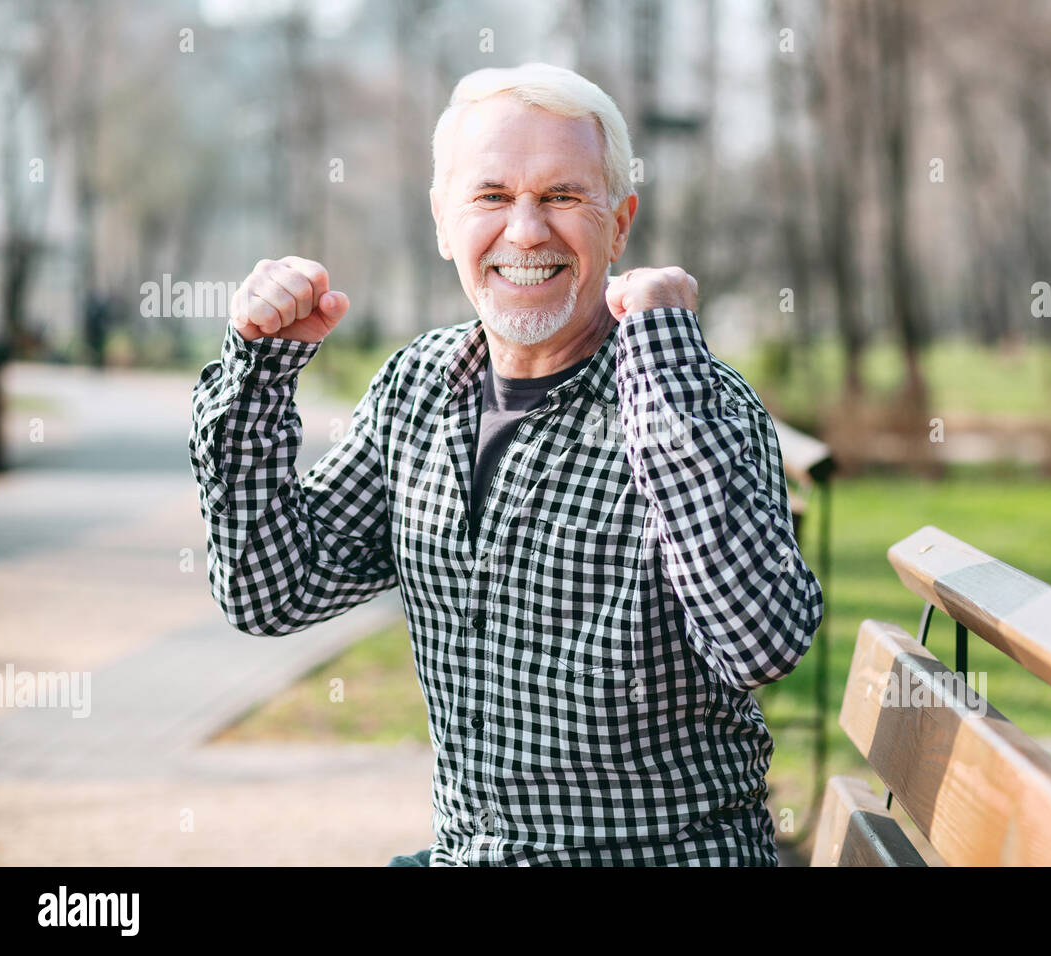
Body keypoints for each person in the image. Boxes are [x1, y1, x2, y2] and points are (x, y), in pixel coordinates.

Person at [188, 62, 823, 866]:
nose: (526, 231)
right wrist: (257, 369)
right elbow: (269, 589)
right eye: (491, 197)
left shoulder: (700, 404)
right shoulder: (418, 387)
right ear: (444, 223)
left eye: (563, 196)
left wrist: (663, 365)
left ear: (619, 224)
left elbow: (758, 643)